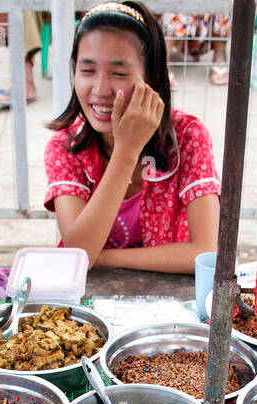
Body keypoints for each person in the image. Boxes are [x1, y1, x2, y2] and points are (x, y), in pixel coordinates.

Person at [43, 1, 220, 274]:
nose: (100, 89)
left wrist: (102, 257)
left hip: (169, 303)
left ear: (150, 77)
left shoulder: (188, 137)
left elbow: (206, 253)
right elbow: (78, 256)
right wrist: (126, 151)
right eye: (87, 70)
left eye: (119, 73)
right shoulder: (64, 147)